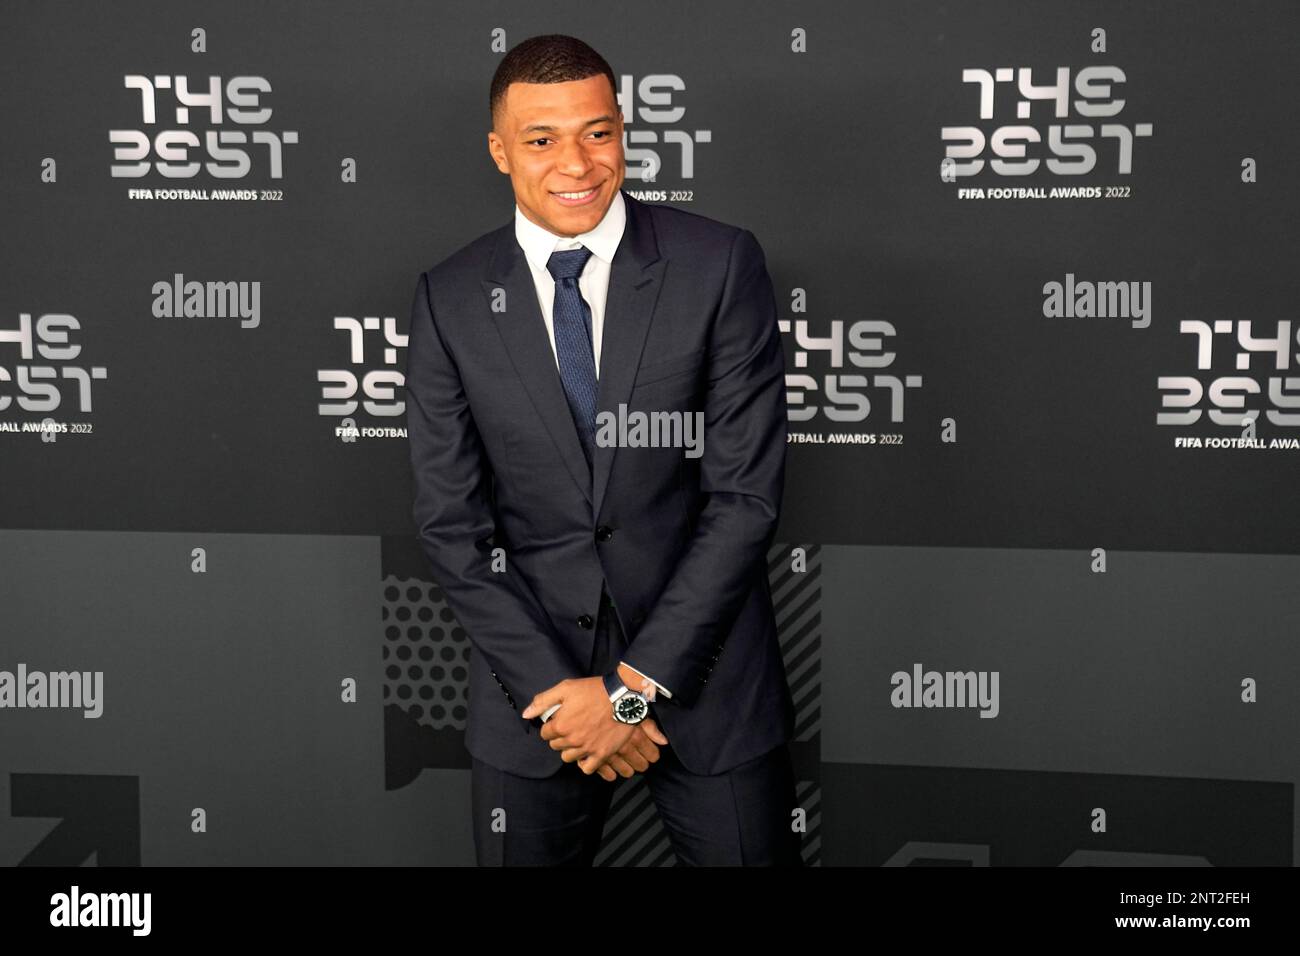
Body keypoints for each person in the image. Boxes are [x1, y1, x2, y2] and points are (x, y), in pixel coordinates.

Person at [405, 33, 800, 865]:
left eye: (598, 132)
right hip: (533, 698)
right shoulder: (449, 299)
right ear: (499, 151)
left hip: (708, 686)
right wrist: (564, 700)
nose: (577, 164)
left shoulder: (718, 265)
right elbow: (451, 528)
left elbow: (744, 501)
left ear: (623, 129)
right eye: (542, 140)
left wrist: (628, 693)